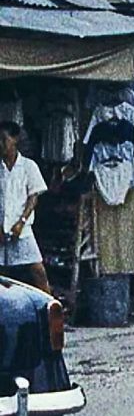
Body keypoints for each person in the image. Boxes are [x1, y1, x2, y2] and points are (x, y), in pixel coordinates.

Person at [0, 120, 50, 294]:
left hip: (22, 228)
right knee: (2, 275)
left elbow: (33, 198)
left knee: (37, 270)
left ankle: (51, 310)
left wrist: (21, 222)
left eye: (3, 139)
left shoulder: (28, 166)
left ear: (15, 140)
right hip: (1, 228)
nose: (0, 144)